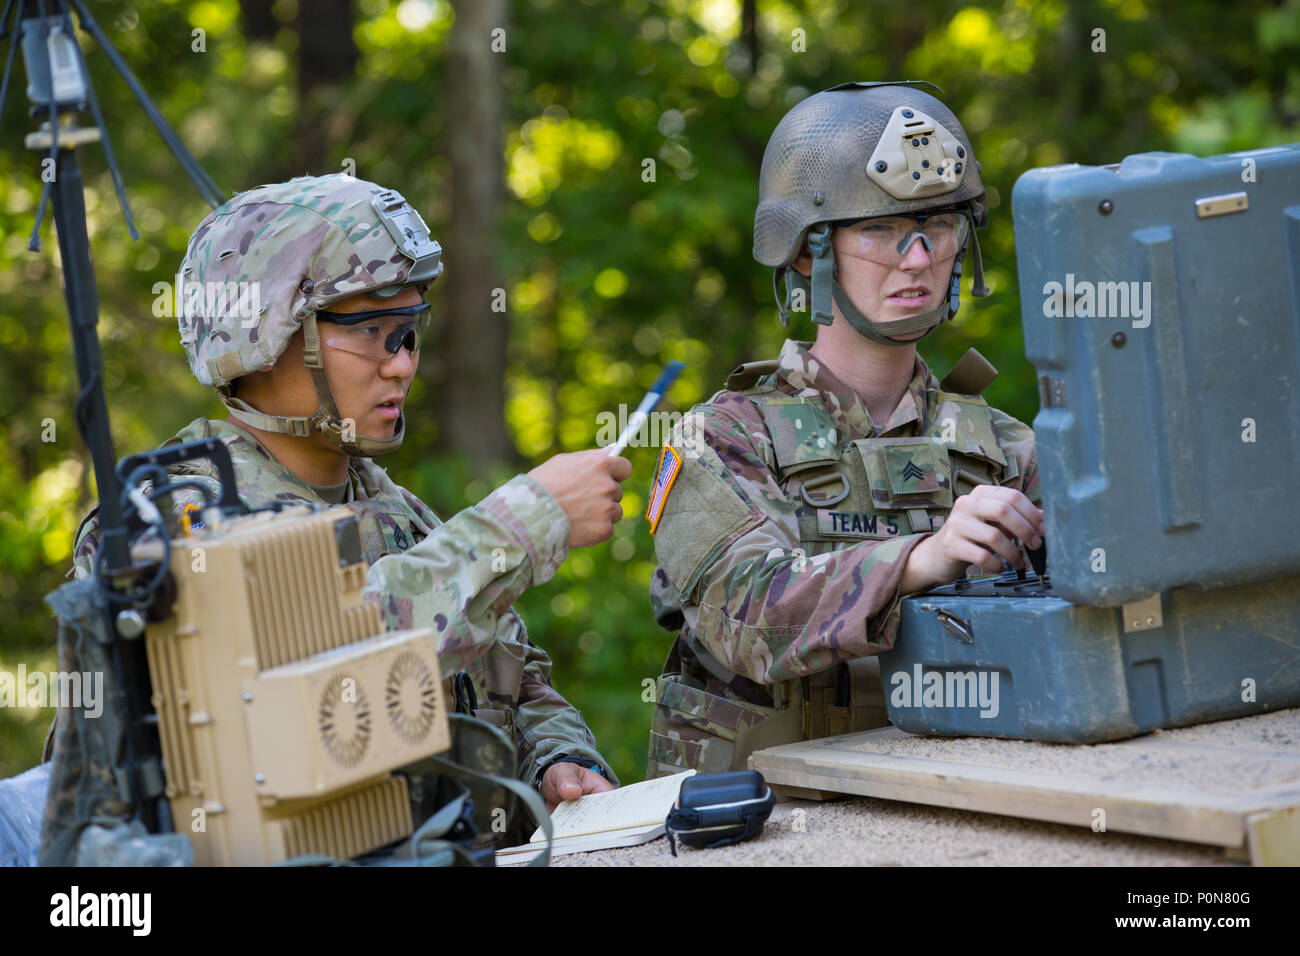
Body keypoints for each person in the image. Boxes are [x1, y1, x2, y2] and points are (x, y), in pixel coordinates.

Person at [45, 174, 630, 861]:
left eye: (411, 332)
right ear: (267, 335)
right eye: (374, 332)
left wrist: (555, 762)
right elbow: (300, 686)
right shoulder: (169, 525)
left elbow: (515, 674)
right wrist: (522, 525)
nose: (403, 365)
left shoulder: (398, 513)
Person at [644, 82, 1045, 778]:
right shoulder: (721, 439)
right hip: (760, 820)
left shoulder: (1006, 450)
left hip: (965, 809)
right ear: (807, 254)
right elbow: (750, 615)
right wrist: (923, 559)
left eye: (939, 227)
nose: (917, 258)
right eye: (880, 231)